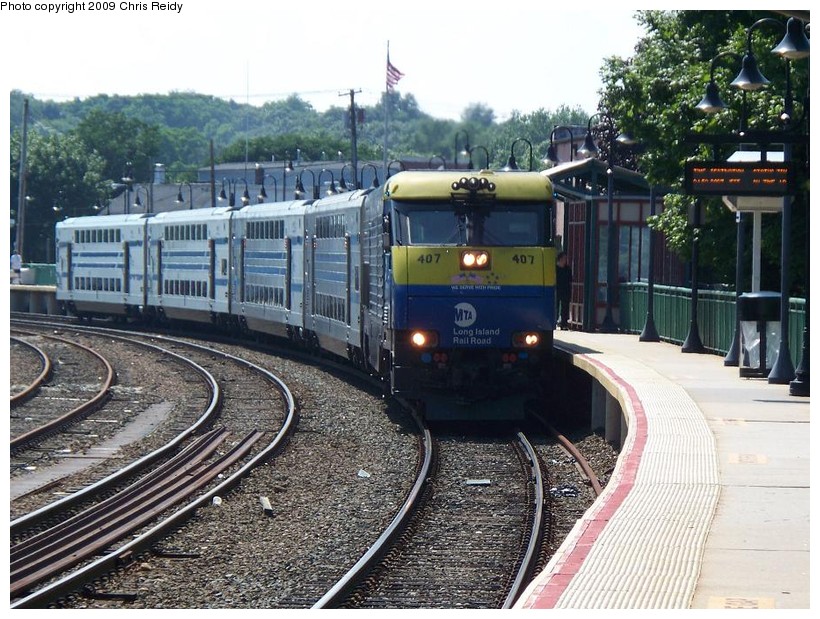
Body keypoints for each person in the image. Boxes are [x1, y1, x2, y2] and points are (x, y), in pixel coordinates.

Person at [556, 251, 571, 330]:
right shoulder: (555, 268)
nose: (565, 260)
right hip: (557, 289)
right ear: (560, 259)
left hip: (565, 290)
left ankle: (564, 323)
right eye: (564, 259)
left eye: (566, 259)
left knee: (565, 307)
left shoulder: (567, 269)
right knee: (555, 306)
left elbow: (570, 279)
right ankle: (554, 321)